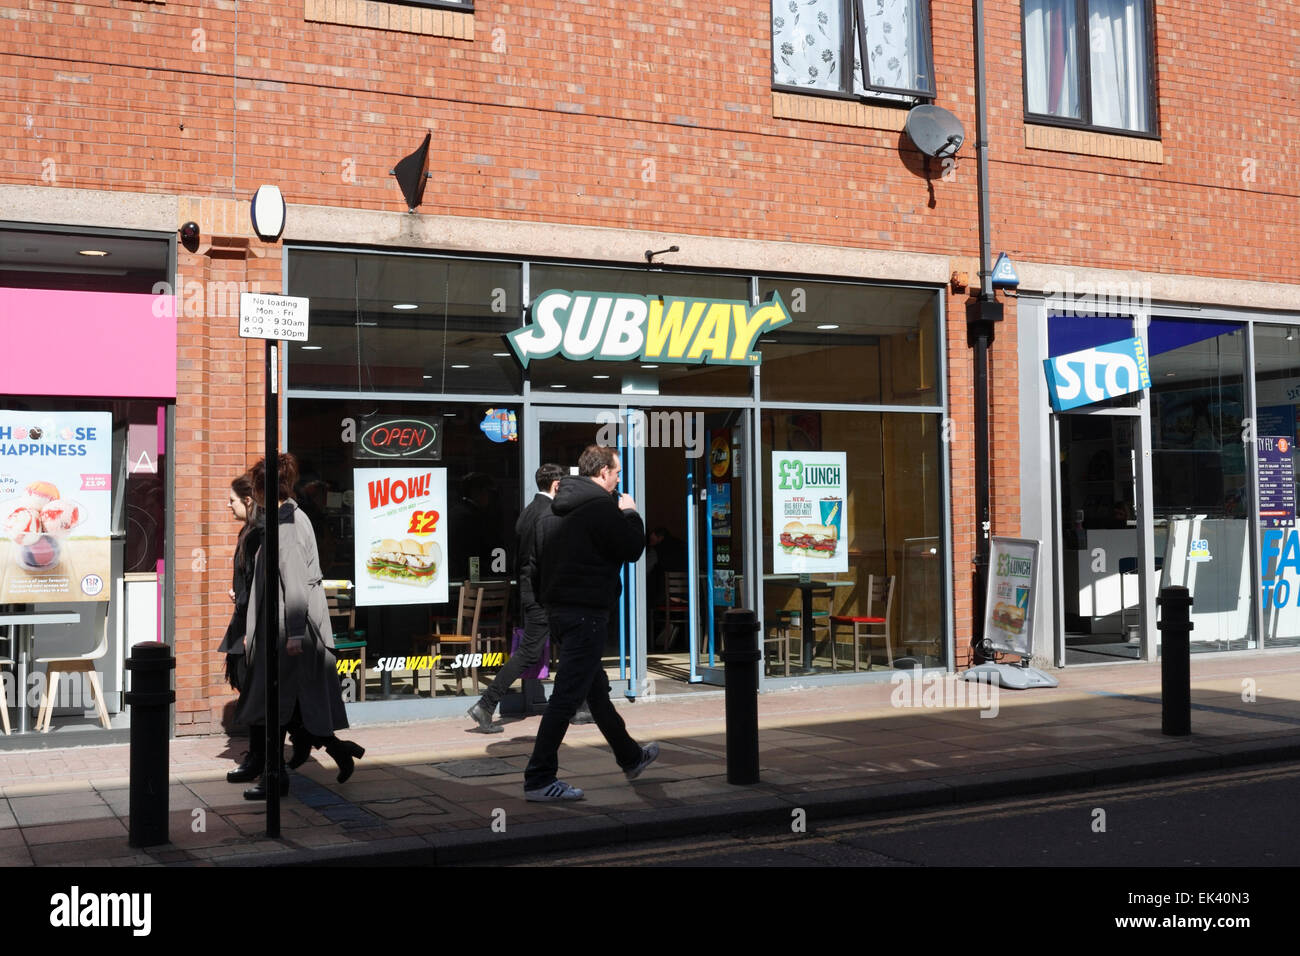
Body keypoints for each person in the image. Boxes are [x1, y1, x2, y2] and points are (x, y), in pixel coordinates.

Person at [522, 445, 659, 802]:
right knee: (567, 697)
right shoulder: (601, 508)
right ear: (601, 473)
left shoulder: (550, 510)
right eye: (616, 474)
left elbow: (535, 567)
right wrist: (631, 514)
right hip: (586, 614)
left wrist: (551, 605)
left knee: (594, 690)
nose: (617, 481)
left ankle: (630, 757)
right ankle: (538, 778)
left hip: (560, 613)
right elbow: (631, 549)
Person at [235, 453, 364, 799]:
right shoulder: (287, 517)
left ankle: (275, 778)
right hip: (283, 629)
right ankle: (332, 752)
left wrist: (292, 634)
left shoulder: (287, 525)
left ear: (262, 490)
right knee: (286, 705)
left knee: (275, 706)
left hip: (288, 631)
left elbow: (293, 584)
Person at [467, 463, 567, 733]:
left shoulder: (527, 512)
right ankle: (486, 704)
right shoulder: (547, 513)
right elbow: (543, 559)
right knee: (530, 651)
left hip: (531, 591)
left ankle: (582, 705)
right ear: (556, 485)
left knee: (572, 645)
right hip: (542, 595)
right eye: (564, 486)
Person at [220, 471, 265, 782]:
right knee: (250, 691)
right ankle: (260, 758)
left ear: (248, 501)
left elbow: (261, 582)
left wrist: (250, 629)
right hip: (245, 620)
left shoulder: (258, 533)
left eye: (233, 500)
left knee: (255, 694)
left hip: (251, 625)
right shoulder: (248, 531)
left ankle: (260, 760)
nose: (228, 505)